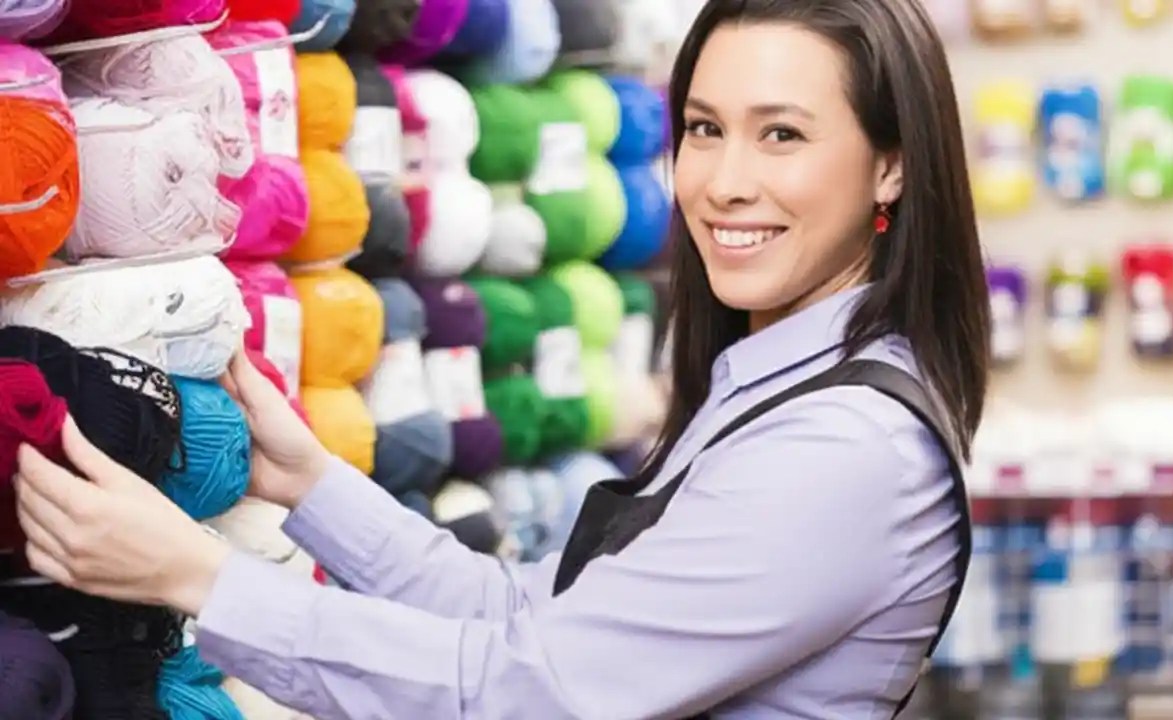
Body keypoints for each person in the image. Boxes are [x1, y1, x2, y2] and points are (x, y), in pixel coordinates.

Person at [12, 0, 990, 717]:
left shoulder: (841, 449)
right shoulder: (779, 391)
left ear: (890, 162)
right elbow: (533, 626)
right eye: (703, 129)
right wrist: (311, 484)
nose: (725, 183)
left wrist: (202, 580)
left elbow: (538, 695)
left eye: (780, 134)